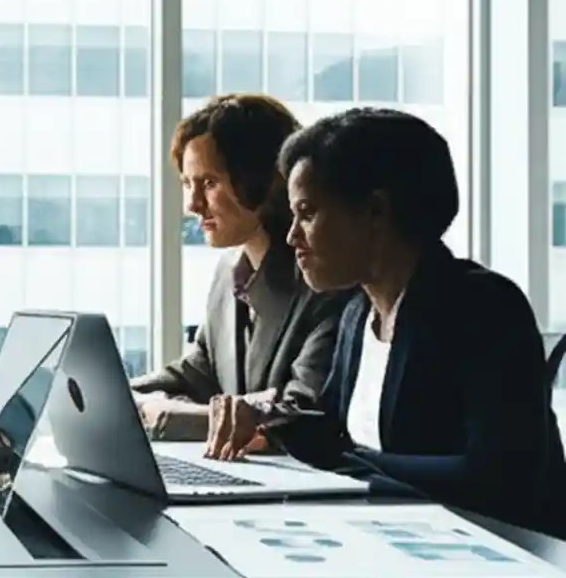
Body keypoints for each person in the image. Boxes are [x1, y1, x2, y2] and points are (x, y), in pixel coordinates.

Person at [210, 107, 565, 539]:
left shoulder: (484, 307)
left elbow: (500, 478)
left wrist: (348, 460)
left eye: (307, 213)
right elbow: (330, 427)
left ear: (376, 210)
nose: (292, 237)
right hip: (396, 544)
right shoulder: (357, 315)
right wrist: (269, 420)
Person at [130, 94, 351, 455]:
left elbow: (299, 414)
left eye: (209, 183)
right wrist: (122, 395)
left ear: (262, 180)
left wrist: (166, 415)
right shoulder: (228, 274)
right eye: (188, 184)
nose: (192, 205)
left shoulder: (325, 282)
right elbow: (199, 372)